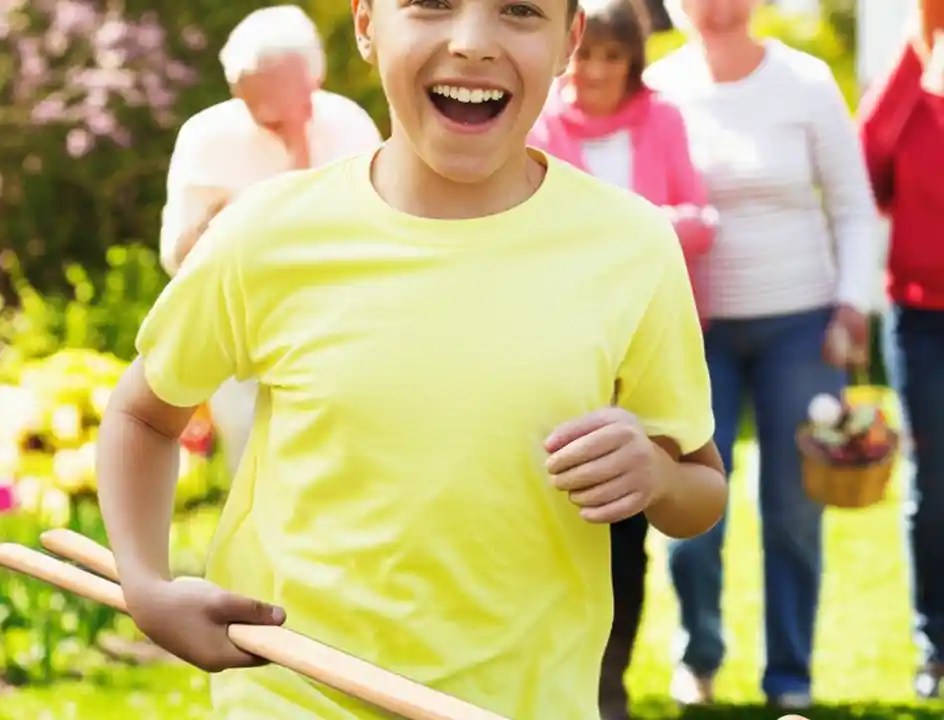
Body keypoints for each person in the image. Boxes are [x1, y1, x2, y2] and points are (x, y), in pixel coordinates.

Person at [98, 0, 730, 717]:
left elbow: (701, 489)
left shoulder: (631, 246)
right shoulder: (268, 233)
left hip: (521, 702)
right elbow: (144, 415)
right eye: (431, 5)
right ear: (367, 25)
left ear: (568, 41)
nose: (471, 44)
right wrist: (145, 585)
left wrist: (655, 475)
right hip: (291, 692)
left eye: (519, 11)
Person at [644, 0, 881, 710]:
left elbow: (853, 207)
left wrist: (851, 304)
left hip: (800, 325)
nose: (715, 9)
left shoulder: (805, 84)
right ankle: (700, 655)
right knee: (690, 508)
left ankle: (790, 679)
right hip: (693, 330)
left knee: (792, 511)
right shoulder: (661, 88)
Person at [528, 1, 716, 717]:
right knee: (567, 516)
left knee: (629, 525)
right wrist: (645, 227)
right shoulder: (540, 123)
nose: (598, 70)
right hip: (567, 347)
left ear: (632, 61)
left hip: (650, 347)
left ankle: (608, 683)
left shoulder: (661, 118)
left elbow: (698, 220)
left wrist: (638, 229)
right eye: (589, 55)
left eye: (614, 57)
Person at [159, 5, 384, 477]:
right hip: (242, 336)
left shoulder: (349, 126)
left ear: (315, 82)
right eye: (258, 110)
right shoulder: (206, 138)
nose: (276, 126)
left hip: (340, 331)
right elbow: (174, 257)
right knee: (254, 464)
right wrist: (216, 226)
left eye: (290, 111)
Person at [858, 0, 944, 699]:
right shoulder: (914, 83)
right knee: (934, 487)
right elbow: (867, 167)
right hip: (921, 315)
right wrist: (918, 55)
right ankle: (936, 645)